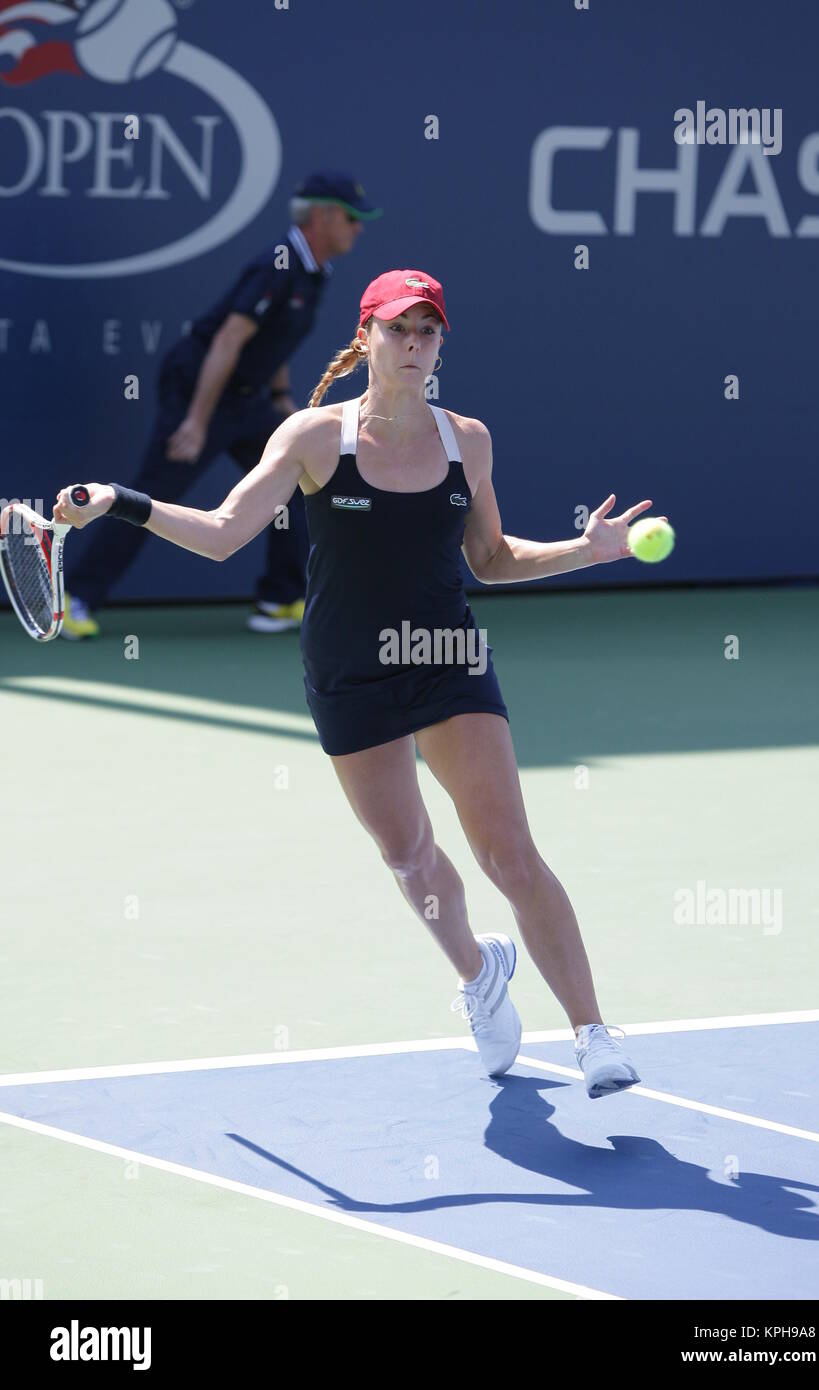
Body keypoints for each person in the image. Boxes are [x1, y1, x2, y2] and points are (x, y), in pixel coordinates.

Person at [54, 268, 660, 1099]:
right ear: (367, 337)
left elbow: (489, 558)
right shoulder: (311, 438)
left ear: (441, 343)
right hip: (348, 673)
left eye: (429, 332)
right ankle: (481, 975)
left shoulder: (467, 441)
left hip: (445, 657)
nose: (415, 346)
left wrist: (586, 551)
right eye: (399, 331)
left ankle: (594, 1034)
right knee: (408, 852)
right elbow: (227, 533)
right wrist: (127, 501)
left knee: (509, 853)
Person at [62, 171, 381, 640]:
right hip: (202, 391)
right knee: (152, 492)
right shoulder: (278, 265)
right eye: (352, 218)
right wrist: (195, 420)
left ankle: (278, 598)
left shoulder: (316, 273)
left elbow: (274, 343)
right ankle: (76, 598)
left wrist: (280, 402)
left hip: (251, 400)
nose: (360, 228)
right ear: (323, 215)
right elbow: (229, 340)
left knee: (293, 482)